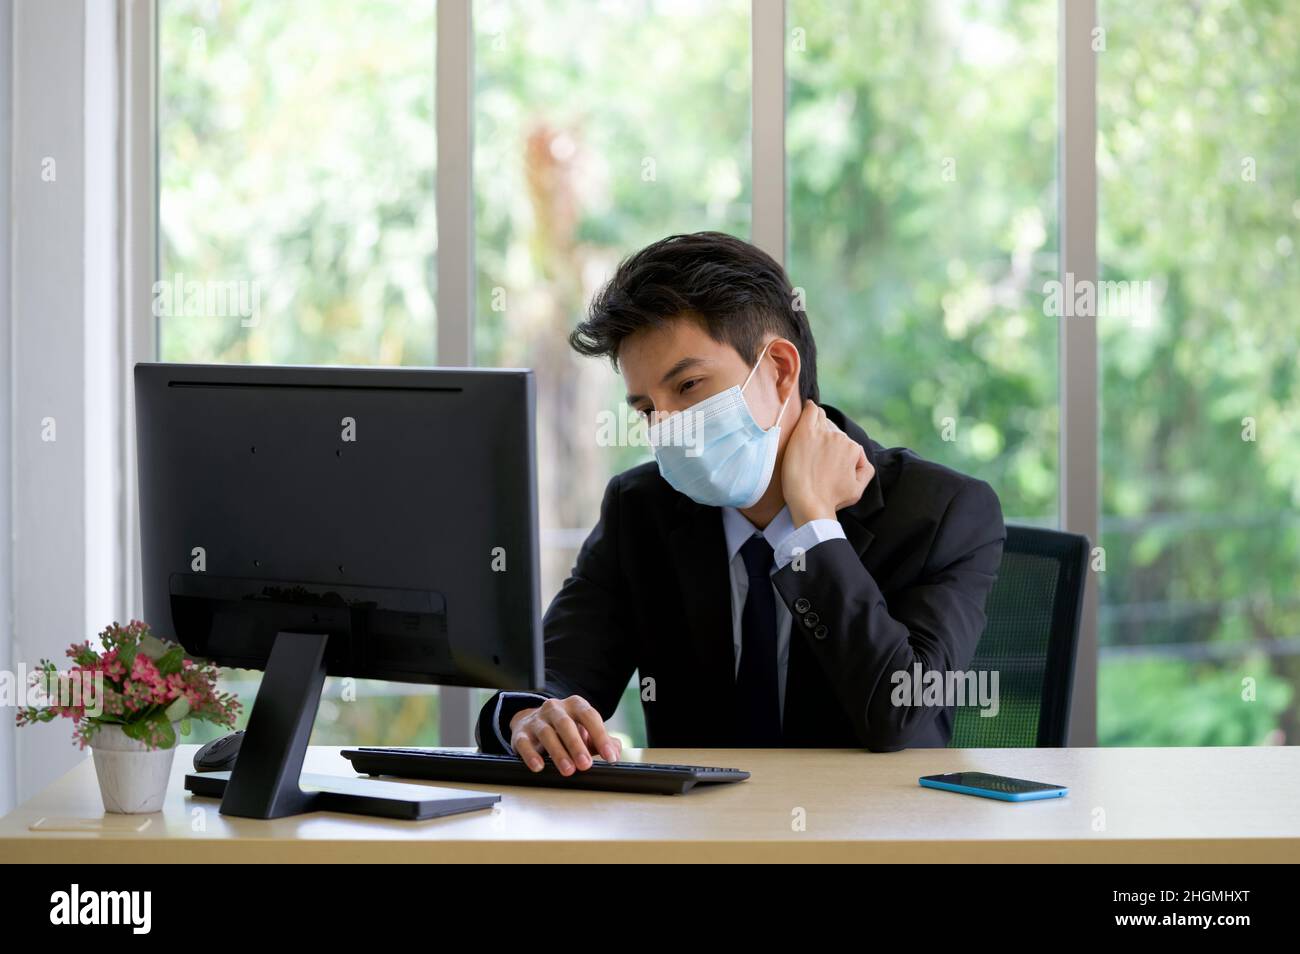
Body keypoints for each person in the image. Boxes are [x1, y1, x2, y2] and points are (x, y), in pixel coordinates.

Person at [475, 231, 1006, 774]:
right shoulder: (641, 510)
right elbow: (552, 676)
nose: (667, 427)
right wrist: (529, 716)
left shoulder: (943, 513)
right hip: (700, 847)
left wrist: (815, 529)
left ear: (779, 369)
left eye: (688, 387)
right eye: (645, 408)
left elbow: (902, 717)